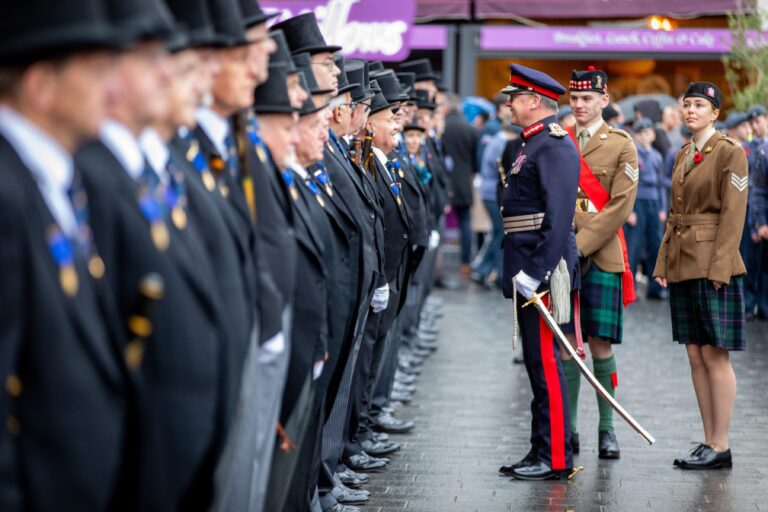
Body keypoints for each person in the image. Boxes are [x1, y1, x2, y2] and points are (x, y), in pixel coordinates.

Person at [0, 2, 129, 509]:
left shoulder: (45, 180)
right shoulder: (7, 197)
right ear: (40, 85)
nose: (112, 89)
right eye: (96, 72)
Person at [653, 82, 748, 470]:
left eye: (699, 105)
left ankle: (721, 444)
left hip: (712, 263)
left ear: (715, 113)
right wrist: (662, 262)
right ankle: (709, 440)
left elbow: (733, 214)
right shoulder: (684, 152)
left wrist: (721, 267)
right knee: (695, 355)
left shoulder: (729, 152)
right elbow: (674, 215)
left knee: (715, 355)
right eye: (686, 104)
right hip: (683, 261)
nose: (690, 110)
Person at [496, 64, 580, 481]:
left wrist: (538, 270)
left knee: (546, 362)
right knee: (535, 360)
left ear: (534, 102)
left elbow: (560, 215)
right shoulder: (530, 144)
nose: (508, 103)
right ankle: (541, 447)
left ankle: (556, 457)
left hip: (542, 268)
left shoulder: (555, 145)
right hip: (526, 261)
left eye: (514, 97)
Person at [561, 67, 638, 461]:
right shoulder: (559, 139)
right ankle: (568, 430)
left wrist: (581, 243)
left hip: (601, 255)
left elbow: (621, 207)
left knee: (599, 342)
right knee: (568, 345)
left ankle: (606, 429)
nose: (579, 105)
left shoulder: (622, 144)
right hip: (561, 257)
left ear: (603, 100)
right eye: (574, 99)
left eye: (587, 98)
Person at [627, 117, 667, 300]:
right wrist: (630, 211)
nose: (645, 136)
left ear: (652, 135)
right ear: (636, 136)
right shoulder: (632, 154)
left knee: (655, 245)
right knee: (634, 247)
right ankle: (630, 288)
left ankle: (655, 287)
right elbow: (629, 185)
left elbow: (660, 185)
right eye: (641, 133)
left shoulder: (657, 156)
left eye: (648, 133)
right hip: (638, 202)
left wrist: (662, 208)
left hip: (653, 202)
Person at [441, 92, 479, 277]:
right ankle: (465, 263)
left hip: (443, 180)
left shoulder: (442, 126)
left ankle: (437, 267)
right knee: (466, 223)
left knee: (438, 224)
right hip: (464, 180)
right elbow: (476, 157)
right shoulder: (469, 128)